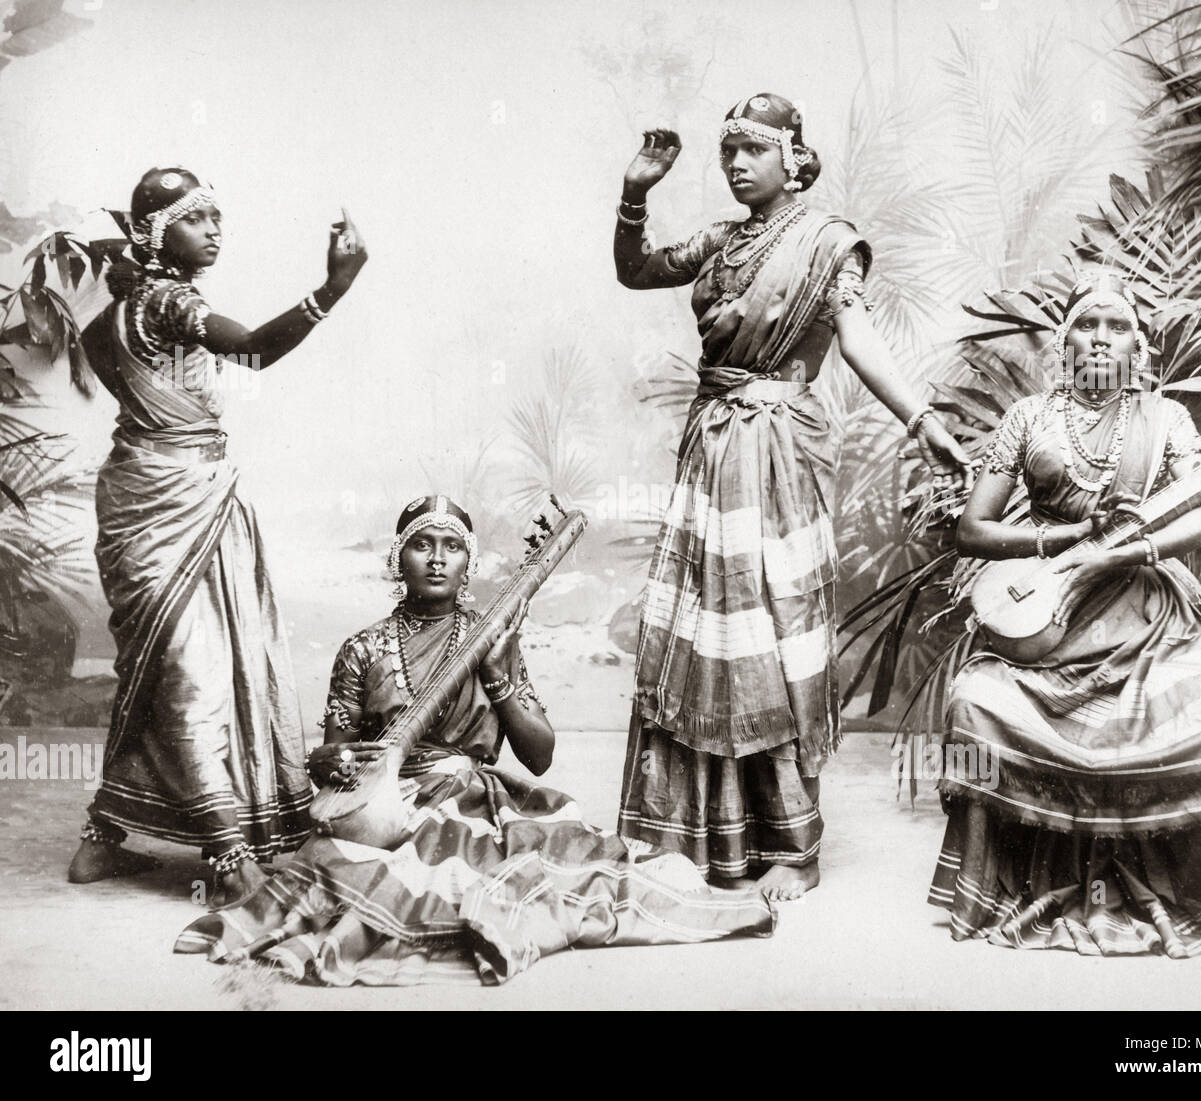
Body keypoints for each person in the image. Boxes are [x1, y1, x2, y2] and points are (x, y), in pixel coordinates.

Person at [175, 495, 775, 985]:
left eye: (452, 546)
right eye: (422, 544)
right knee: (338, 872)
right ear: (397, 559)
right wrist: (330, 757)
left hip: (471, 798)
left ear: (470, 564)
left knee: (555, 868)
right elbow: (336, 759)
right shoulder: (363, 649)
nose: (437, 559)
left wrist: (499, 674)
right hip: (387, 802)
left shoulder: (492, 639)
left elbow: (539, 756)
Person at [612, 94, 971, 900]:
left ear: (793, 157)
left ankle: (794, 844)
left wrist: (918, 417)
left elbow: (857, 336)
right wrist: (636, 192)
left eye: (751, 149)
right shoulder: (718, 241)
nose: (736, 164)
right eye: (726, 151)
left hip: (777, 449)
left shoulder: (828, 243)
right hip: (711, 444)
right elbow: (634, 270)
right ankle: (701, 831)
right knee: (704, 626)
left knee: (766, 627)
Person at [68, 167, 368, 905]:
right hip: (174, 495)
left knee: (160, 662)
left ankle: (103, 836)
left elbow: (130, 386)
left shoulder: (112, 317)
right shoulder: (168, 299)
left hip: (145, 490)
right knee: (193, 666)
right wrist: (333, 288)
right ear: (151, 234)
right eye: (195, 218)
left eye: (217, 217)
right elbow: (257, 350)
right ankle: (228, 850)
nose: (214, 230)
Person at [928, 273, 1201, 956]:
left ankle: (1175, 888)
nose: (1101, 336)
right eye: (1087, 324)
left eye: (1117, 324)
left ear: (1139, 344)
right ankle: (1013, 882)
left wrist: (1137, 548)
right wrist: (1066, 540)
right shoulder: (1030, 417)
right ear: (1065, 340)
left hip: (1145, 610)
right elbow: (972, 531)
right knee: (976, 700)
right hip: (1047, 611)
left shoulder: (1166, 420)